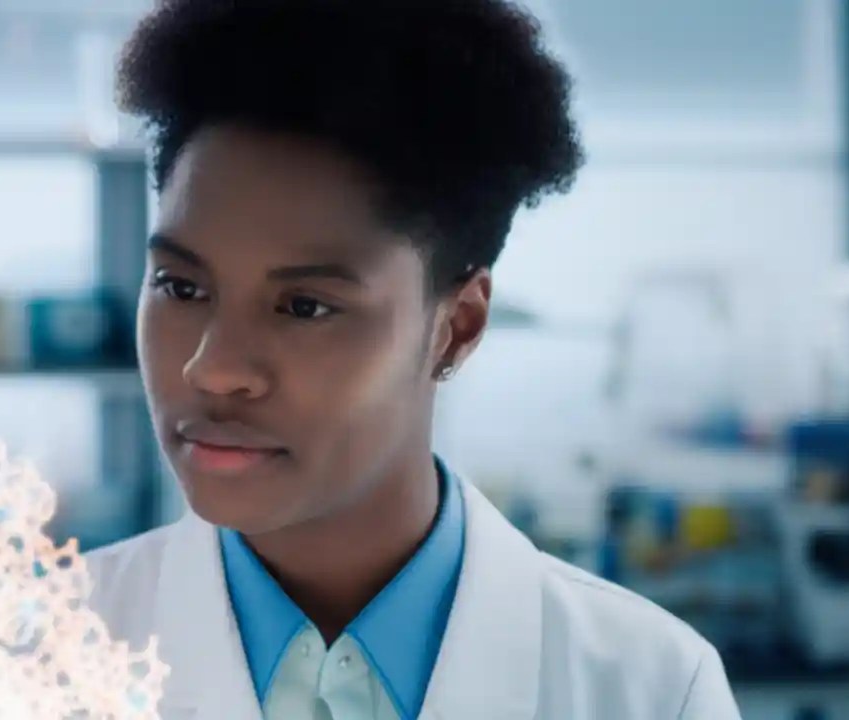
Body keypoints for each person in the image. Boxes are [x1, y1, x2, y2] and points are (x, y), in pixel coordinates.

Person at [86, 1, 742, 718]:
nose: (211, 369)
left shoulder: (649, 690)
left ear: (455, 327)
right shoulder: (16, 662)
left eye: (304, 307)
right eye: (181, 287)